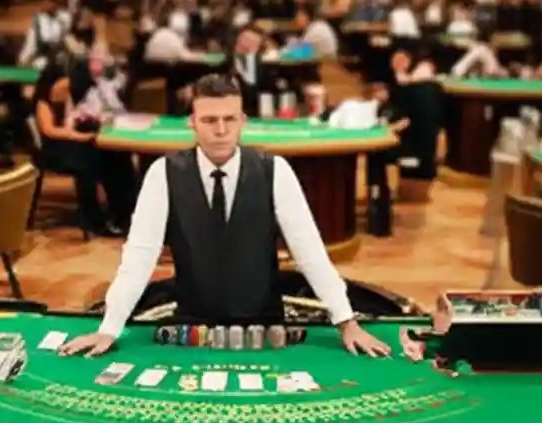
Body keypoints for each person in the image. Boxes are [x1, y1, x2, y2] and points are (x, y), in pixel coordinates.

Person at [59, 74, 391, 358]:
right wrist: (109, 328)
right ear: (192, 122)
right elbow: (139, 258)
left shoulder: (276, 171)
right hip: (192, 331)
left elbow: (310, 255)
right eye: (209, 120)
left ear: (243, 121)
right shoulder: (163, 174)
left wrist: (347, 322)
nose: (220, 130)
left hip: (266, 330)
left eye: (229, 119)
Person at [33, 63, 125, 236]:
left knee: (113, 156)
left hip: (69, 142)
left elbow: (71, 121)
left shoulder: (67, 97)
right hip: (53, 150)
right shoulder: (43, 102)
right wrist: (78, 136)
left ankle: (120, 212)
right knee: (87, 164)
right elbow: (50, 131)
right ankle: (94, 220)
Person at [226, 25, 268, 116]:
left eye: (251, 43)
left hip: (252, 115)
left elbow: (252, 91)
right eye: (244, 39)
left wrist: (250, 58)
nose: (245, 44)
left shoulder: (264, 70)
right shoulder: (224, 63)